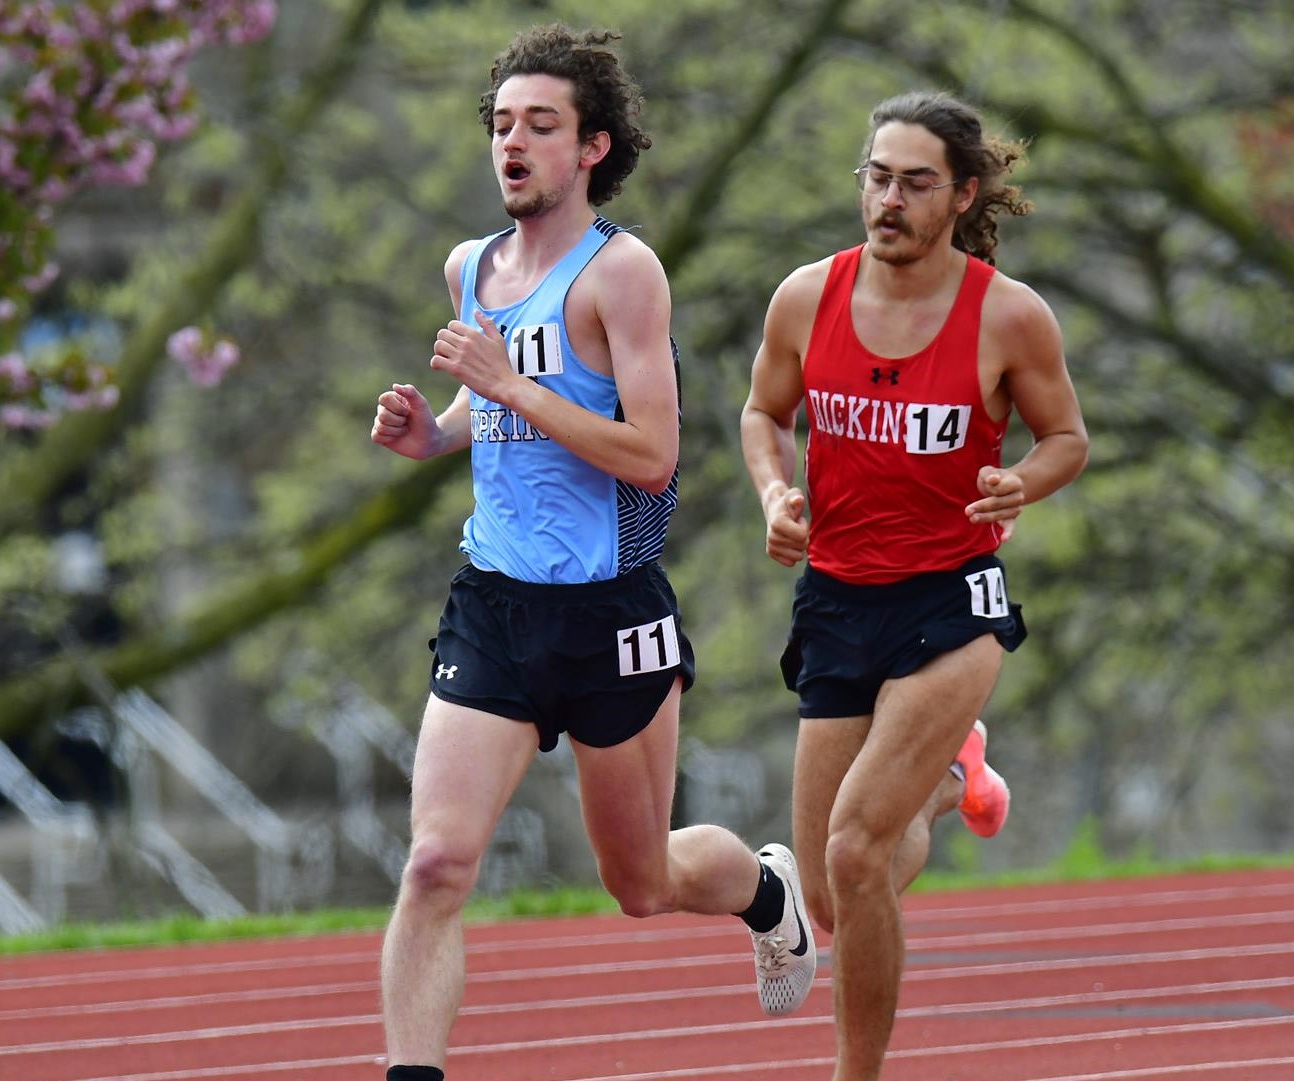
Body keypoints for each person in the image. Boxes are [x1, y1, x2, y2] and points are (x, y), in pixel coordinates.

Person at [369, 24, 817, 1081]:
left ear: (591, 148)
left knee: (639, 883)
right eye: (500, 124)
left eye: (540, 125)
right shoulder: (469, 267)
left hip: (610, 611)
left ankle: (765, 891)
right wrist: (431, 433)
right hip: (492, 605)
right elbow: (493, 412)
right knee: (434, 863)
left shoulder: (622, 274)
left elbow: (652, 457)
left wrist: (508, 384)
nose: (511, 143)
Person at [739, 91, 1089, 1080]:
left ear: (961, 194)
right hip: (836, 597)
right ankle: (943, 784)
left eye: (914, 183)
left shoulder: (1006, 316)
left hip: (949, 602)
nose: (887, 200)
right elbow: (762, 412)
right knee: (828, 892)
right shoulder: (804, 297)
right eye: (876, 177)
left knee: (855, 849)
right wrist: (774, 495)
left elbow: (1066, 437)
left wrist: (1021, 480)